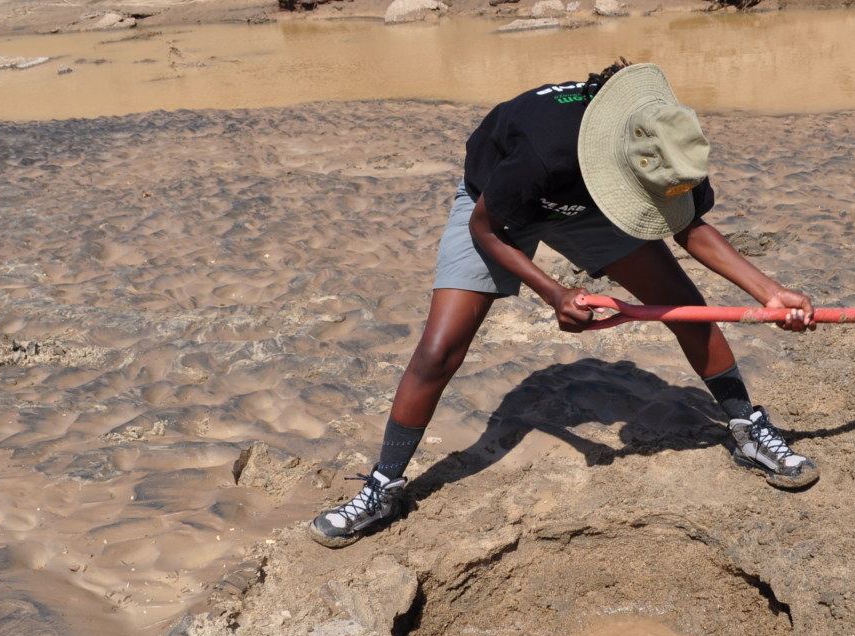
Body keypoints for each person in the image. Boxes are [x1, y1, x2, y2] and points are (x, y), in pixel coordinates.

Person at [310, 59, 819, 548]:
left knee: (686, 307)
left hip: (596, 201)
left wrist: (768, 291)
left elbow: (688, 226)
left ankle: (746, 427)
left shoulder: (668, 141)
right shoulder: (543, 147)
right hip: (497, 207)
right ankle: (383, 487)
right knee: (438, 351)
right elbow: (485, 229)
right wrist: (554, 292)